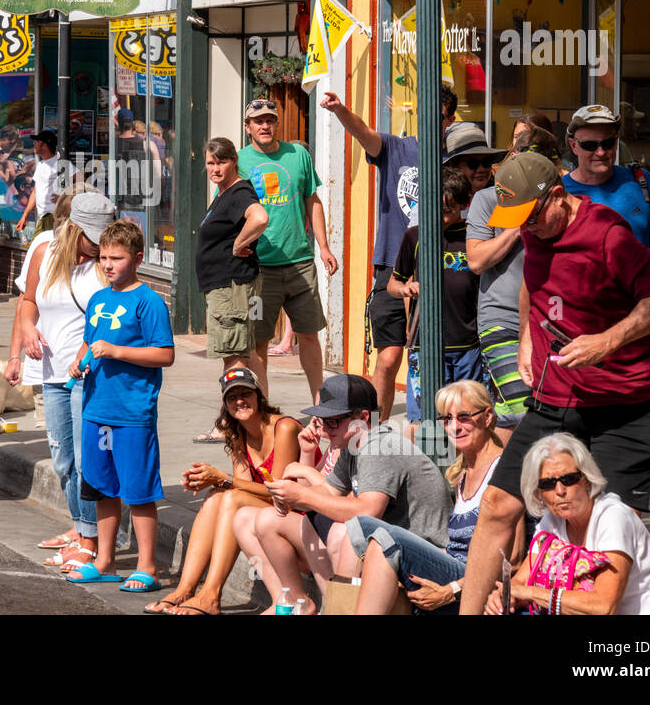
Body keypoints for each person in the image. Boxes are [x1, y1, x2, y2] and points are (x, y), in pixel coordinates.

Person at [459, 152, 650, 614]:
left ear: (558, 196)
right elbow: (533, 283)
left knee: (604, 525)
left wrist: (607, 340)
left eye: (533, 217)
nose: (528, 229)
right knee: (499, 505)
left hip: (627, 405)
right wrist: (526, 335)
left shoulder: (607, 234)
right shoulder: (534, 226)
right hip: (556, 397)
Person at [244, 373, 451, 614]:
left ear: (362, 418)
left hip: (427, 553)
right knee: (307, 520)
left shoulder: (379, 447)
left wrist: (303, 497)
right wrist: (290, 496)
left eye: (333, 421)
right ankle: (331, 606)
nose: (325, 428)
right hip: (393, 544)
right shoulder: (352, 445)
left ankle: (339, 609)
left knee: (346, 532)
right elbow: (329, 491)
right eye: (323, 420)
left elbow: (367, 511)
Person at [320, 86, 458, 419]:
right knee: (388, 357)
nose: (428, 121)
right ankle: (374, 428)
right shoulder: (397, 148)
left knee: (432, 354)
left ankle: (429, 422)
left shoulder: (454, 159)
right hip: (391, 265)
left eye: (437, 116)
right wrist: (340, 111)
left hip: (439, 267)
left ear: (449, 119)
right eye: (423, 112)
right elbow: (363, 133)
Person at [66, 219, 176, 593]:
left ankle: (147, 565)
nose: (108, 265)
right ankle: (105, 560)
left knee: (139, 491)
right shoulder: (98, 299)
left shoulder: (149, 302)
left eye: (117, 258)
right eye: (104, 258)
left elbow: (165, 354)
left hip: (132, 414)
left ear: (138, 259)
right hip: (96, 409)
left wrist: (116, 352)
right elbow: (91, 339)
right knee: (101, 488)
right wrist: (79, 360)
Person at [352, 380, 523, 614]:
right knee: (359, 526)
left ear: (487, 416)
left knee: (386, 539)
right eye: (447, 419)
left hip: (475, 581)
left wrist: (451, 589)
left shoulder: (503, 471)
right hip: (455, 569)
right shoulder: (463, 472)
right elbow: (455, 546)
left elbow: (512, 559)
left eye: (464, 417)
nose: (455, 427)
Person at [146, 367, 305, 615]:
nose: (240, 401)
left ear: (259, 396)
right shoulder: (237, 433)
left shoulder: (284, 428)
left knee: (228, 495)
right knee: (216, 498)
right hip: (271, 513)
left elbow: (280, 492)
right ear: (225, 403)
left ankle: (211, 594)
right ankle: (185, 589)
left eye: (246, 394)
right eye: (232, 397)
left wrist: (221, 478)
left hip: (299, 516)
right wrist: (214, 482)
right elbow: (240, 488)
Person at [16, 192, 114, 573]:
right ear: (75, 230)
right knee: (62, 460)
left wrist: (88, 348)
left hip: (88, 374)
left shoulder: (104, 265)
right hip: (52, 371)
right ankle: (80, 527)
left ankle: (89, 540)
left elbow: (113, 314)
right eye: (93, 239)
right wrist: (27, 330)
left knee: (88, 460)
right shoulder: (46, 251)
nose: (99, 247)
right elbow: (28, 300)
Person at [486, 433, 650, 615]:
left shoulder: (613, 518)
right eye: (548, 484)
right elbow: (521, 581)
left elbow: (603, 606)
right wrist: (505, 596)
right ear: (538, 491)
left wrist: (530, 593)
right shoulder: (552, 520)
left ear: (586, 479)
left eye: (569, 479)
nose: (560, 491)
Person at [561, 104, 650, 349]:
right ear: (574, 145)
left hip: (640, 322)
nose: (601, 151)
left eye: (608, 143)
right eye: (589, 145)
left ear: (617, 141)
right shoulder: (560, 193)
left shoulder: (640, 182)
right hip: (580, 327)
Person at [237, 99, 339, 404]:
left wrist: (323, 246)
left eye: (270, 120)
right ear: (248, 128)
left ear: (276, 124)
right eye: (258, 121)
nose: (264, 126)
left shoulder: (298, 155)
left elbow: (312, 200)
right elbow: (229, 209)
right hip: (258, 267)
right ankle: (264, 407)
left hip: (300, 261)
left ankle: (321, 405)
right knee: (258, 341)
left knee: (309, 334)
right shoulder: (239, 161)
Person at [465, 125, 562, 437]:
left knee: (523, 414)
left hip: (552, 320)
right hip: (502, 318)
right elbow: (477, 260)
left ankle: (500, 482)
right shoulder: (488, 199)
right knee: (523, 412)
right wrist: (519, 222)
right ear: (512, 155)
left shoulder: (560, 200)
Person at [388, 168, 484, 427]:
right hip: (424, 345)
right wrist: (405, 289)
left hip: (467, 345)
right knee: (424, 421)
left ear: (465, 204)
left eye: (448, 210)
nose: (440, 217)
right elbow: (393, 283)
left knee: (467, 418)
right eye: (434, 207)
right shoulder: (414, 236)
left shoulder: (474, 237)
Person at [196, 136, 269, 411]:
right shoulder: (224, 192)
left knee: (233, 356)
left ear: (234, 161)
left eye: (222, 162)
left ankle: (233, 420)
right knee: (243, 353)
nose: (215, 169)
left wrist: (239, 244)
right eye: (210, 163)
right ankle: (254, 414)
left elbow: (260, 218)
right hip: (231, 287)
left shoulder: (238, 192)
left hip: (231, 288)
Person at [443, 121, 506, 195]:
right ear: (454, 166)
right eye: (473, 164)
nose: (481, 169)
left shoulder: (501, 197)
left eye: (486, 162)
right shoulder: (446, 202)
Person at [17, 129, 60, 234]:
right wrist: (24, 216)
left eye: (36, 142)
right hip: (42, 217)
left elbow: (79, 182)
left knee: (37, 247)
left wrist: (64, 197)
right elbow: (35, 192)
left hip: (52, 217)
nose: (33, 144)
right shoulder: (41, 165)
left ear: (44, 145)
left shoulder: (60, 164)